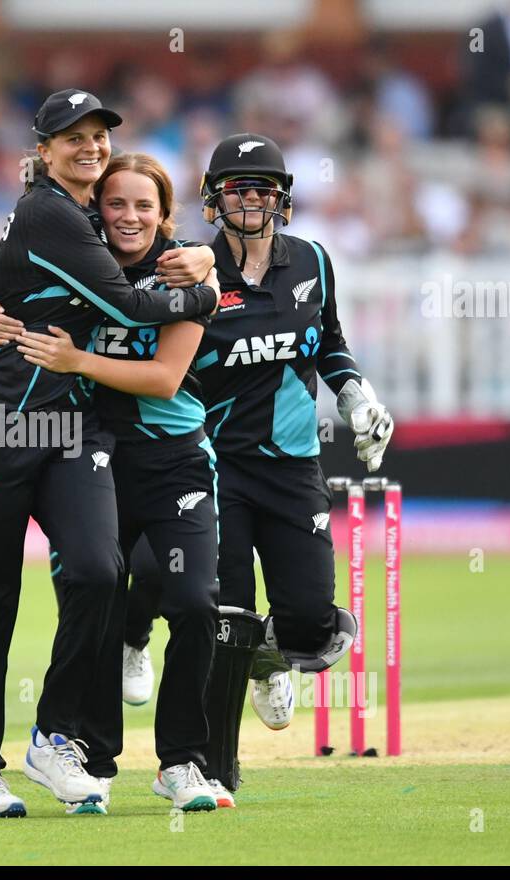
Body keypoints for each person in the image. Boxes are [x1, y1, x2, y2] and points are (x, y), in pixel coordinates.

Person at [0, 90, 219, 818]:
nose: (90, 148)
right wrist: (206, 294)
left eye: (98, 135)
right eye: (73, 138)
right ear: (42, 151)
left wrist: (195, 257)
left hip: (67, 426)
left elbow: (131, 254)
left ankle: (53, 736)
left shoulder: (94, 215)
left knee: (101, 570)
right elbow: (130, 306)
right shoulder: (47, 212)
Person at [129, 133, 394, 794]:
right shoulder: (190, 268)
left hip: (293, 465)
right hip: (215, 464)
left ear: (283, 199)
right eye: (237, 187)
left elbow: (327, 342)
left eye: (263, 188)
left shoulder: (312, 262)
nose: (251, 199)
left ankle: (271, 659)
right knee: (227, 618)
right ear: (213, 199)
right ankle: (212, 769)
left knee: (310, 621)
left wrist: (358, 397)